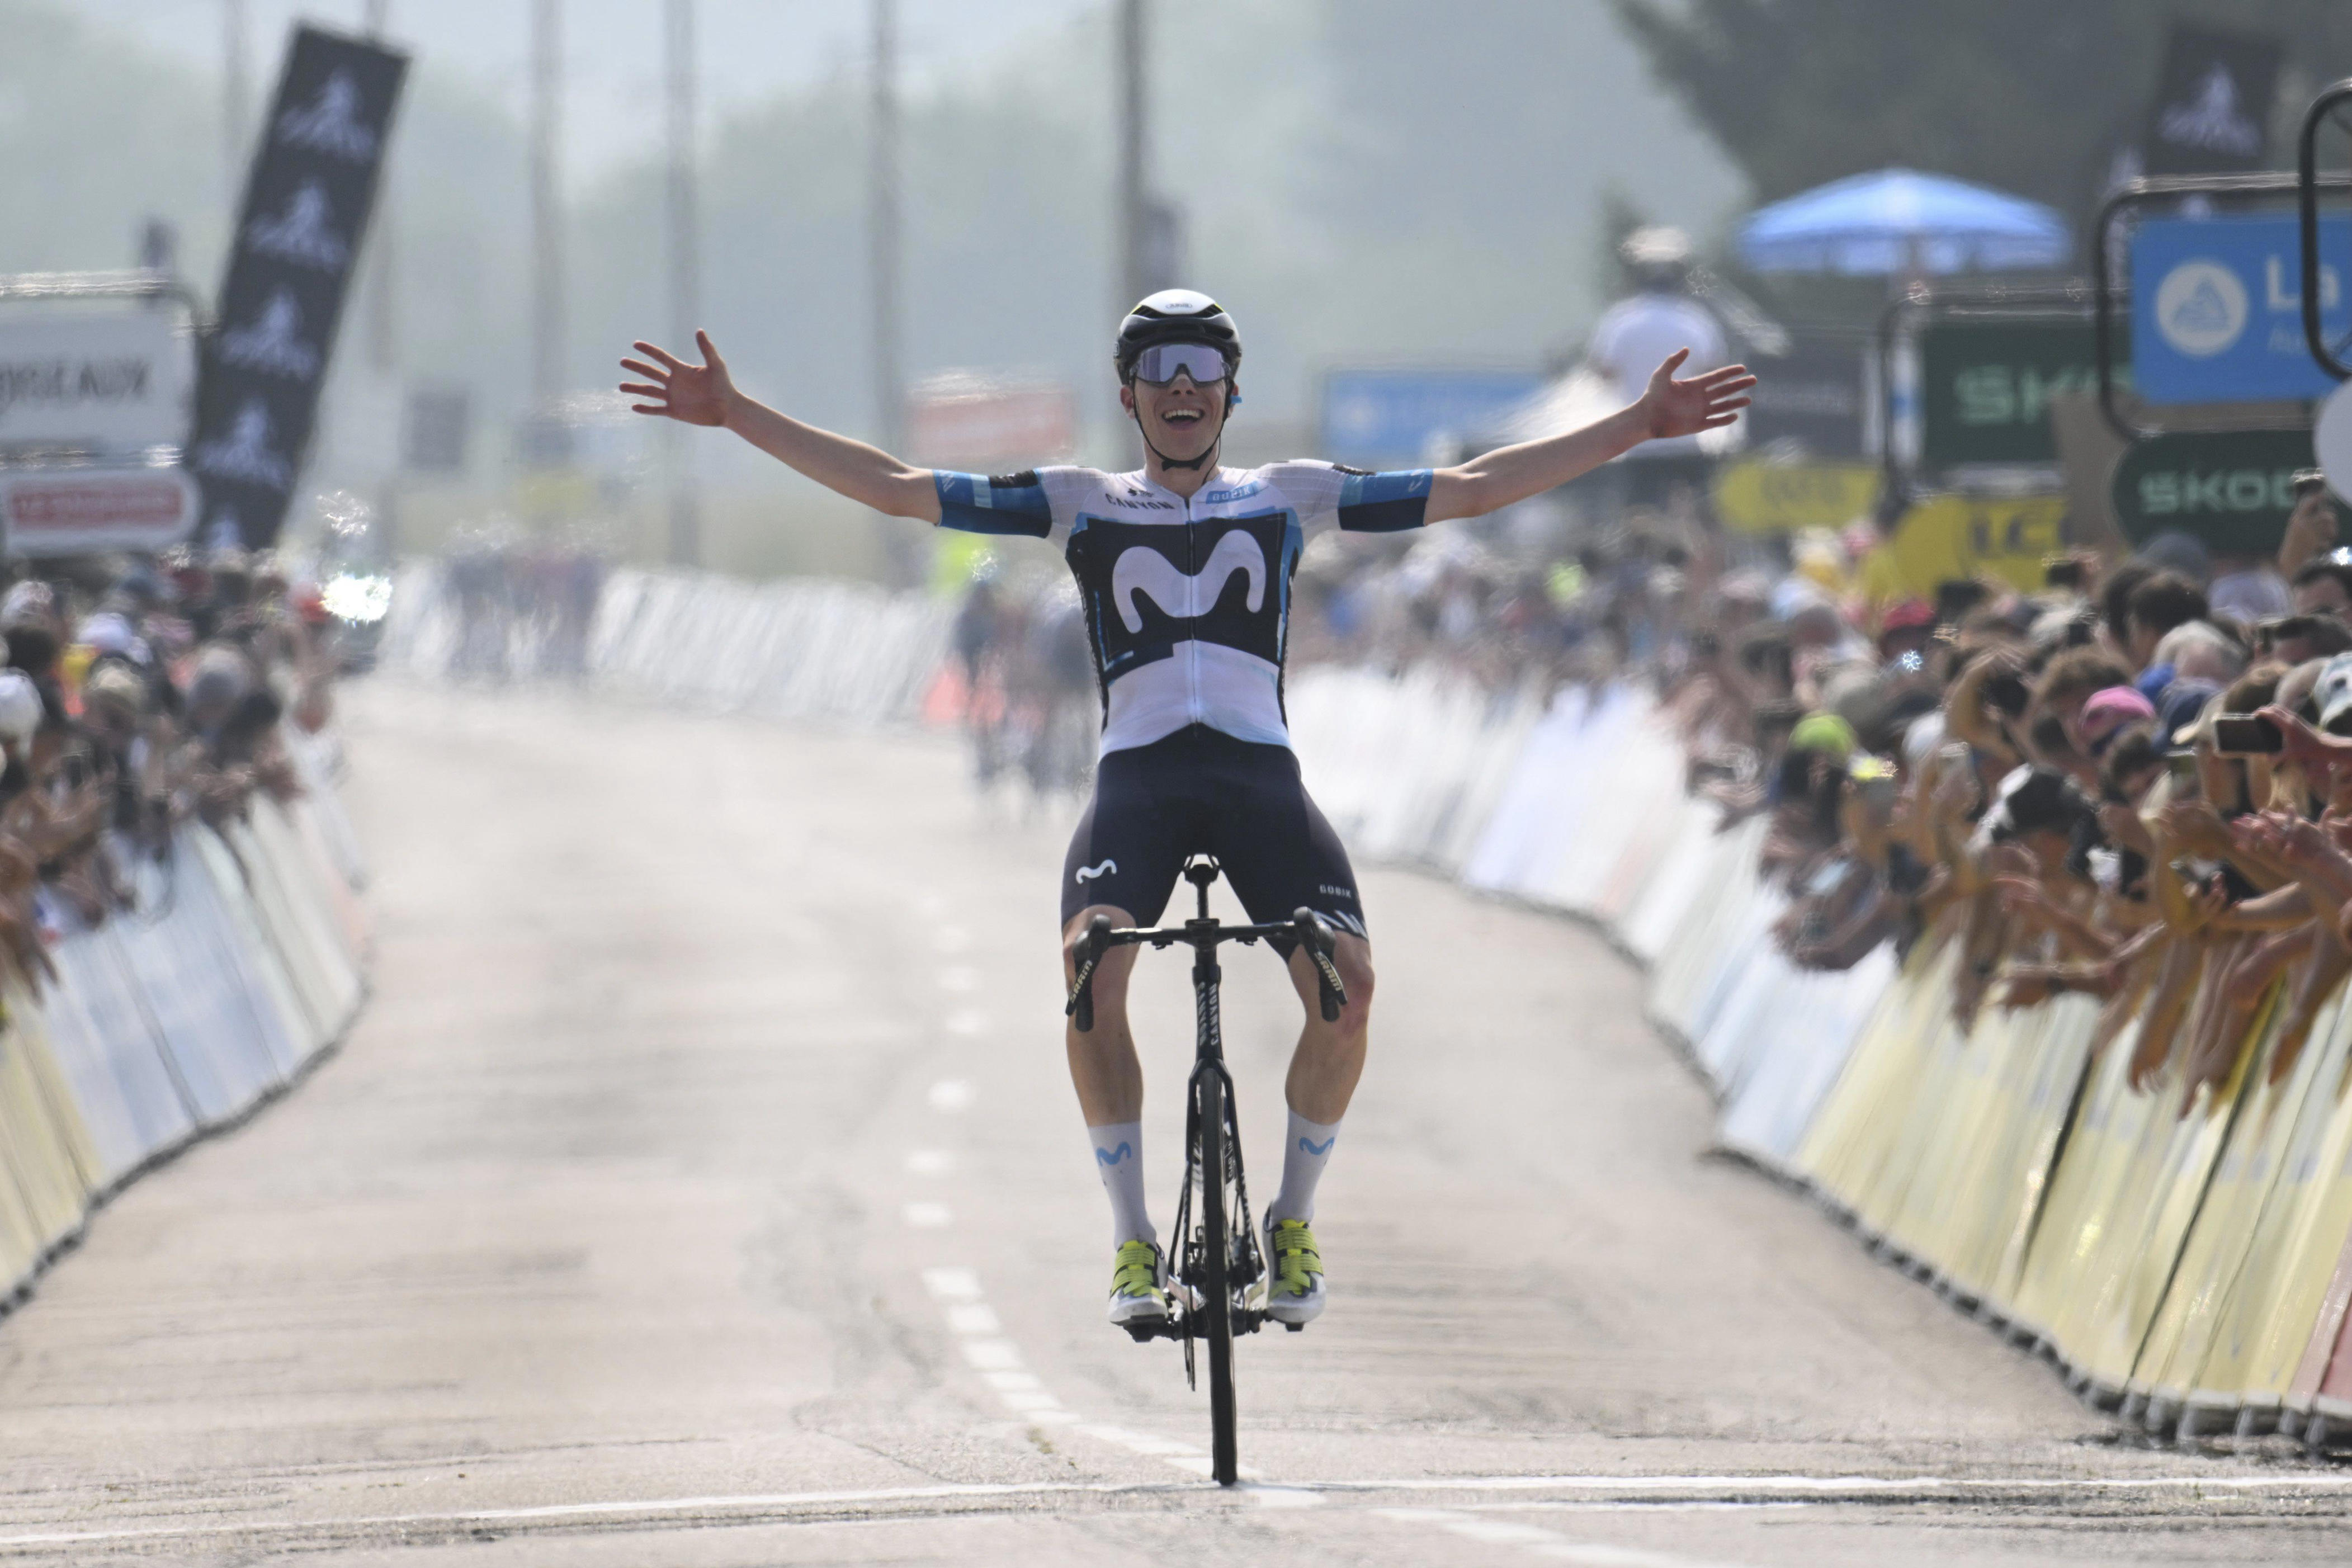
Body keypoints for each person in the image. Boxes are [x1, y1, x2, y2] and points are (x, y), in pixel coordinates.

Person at [618, 291, 1751, 1331]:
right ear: (1130, 395)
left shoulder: (1293, 494)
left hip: (1261, 781)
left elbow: (1471, 490)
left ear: (1230, 389)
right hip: (1140, 786)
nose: (1181, 384)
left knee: (1349, 992)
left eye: (1203, 366)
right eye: (1157, 367)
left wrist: (1633, 428)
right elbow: (902, 488)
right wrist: (741, 416)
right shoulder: (1079, 502)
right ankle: (1130, 1237)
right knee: (1090, 971)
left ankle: (1292, 1218)